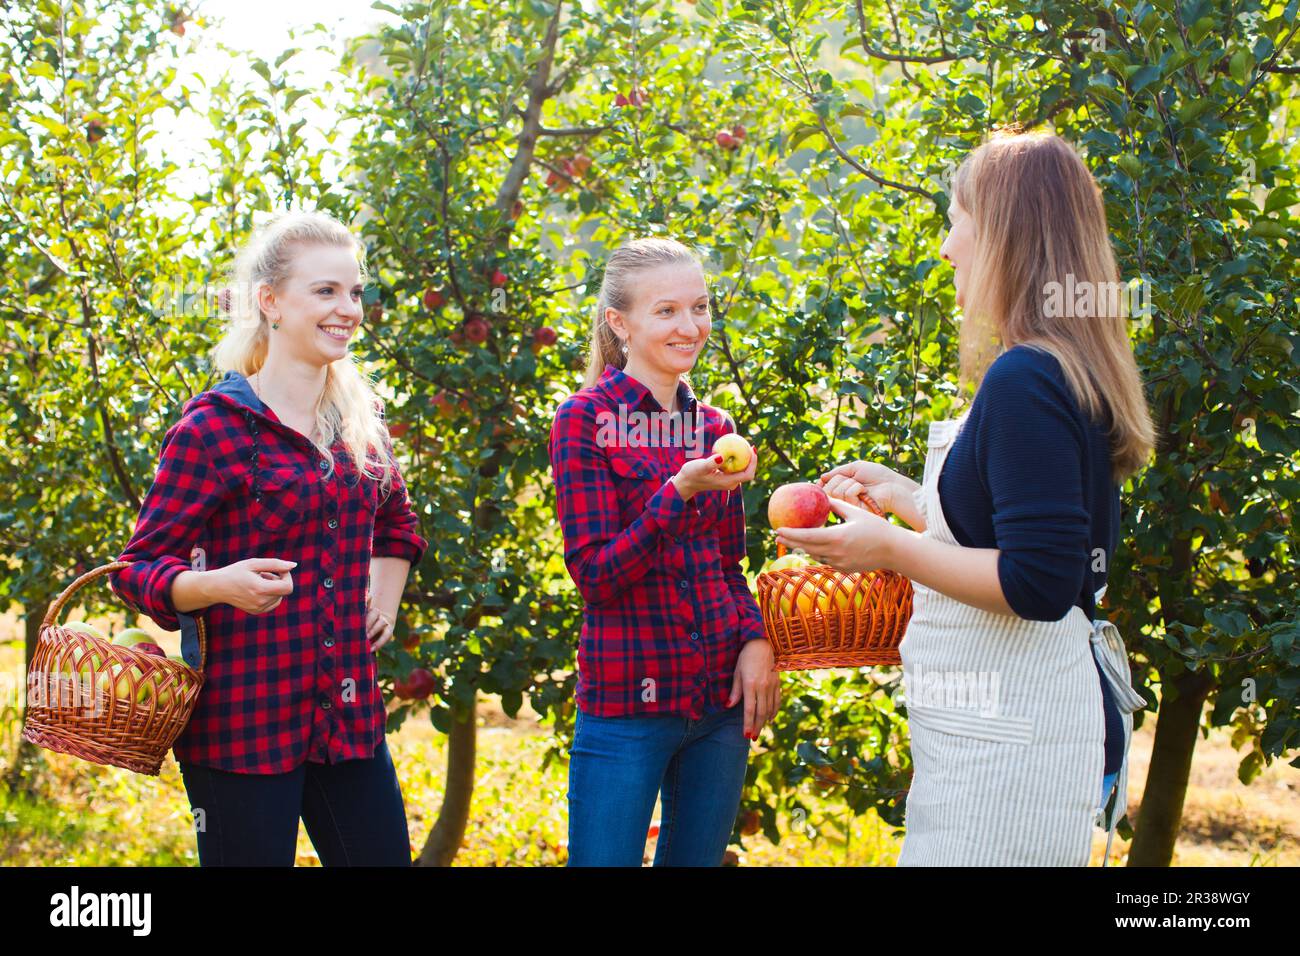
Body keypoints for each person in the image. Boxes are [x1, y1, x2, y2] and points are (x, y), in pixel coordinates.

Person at [777, 130, 1154, 866]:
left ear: (1005, 235)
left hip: (1009, 740)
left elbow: (1038, 582)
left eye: (957, 221)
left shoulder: (1023, 379)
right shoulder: (1059, 367)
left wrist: (888, 547)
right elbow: (1020, 533)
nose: (948, 248)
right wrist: (909, 498)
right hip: (1001, 725)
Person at [109, 210, 428, 866]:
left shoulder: (357, 424)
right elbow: (137, 570)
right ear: (270, 302)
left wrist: (385, 604)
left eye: (355, 292)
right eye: (326, 291)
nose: (348, 308)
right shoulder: (214, 429)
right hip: (242, 732)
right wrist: (216, 586)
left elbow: (398, 526)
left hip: (347, 723)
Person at [549, 237, 779, 866]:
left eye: (700, 307)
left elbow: (728, 564)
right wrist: (677, 492)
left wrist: (757, 639)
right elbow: (595, 575)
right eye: (667, 311)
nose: (690, 326)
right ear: (620, 324)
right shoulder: (583, 420)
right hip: (628, 704)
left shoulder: (716, 430)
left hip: (719, 703)